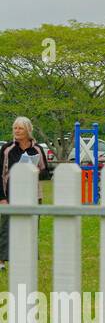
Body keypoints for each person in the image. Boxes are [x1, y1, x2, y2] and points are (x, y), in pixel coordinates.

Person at [1, 116, 52, 271]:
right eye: (15, 128)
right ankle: (1, 261)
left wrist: (35, 171)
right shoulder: (7, 149)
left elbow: (46, 173)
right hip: (9, 194)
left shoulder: (37, 149)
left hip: (32, 195)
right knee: (5, 228)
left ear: (28, 130)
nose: (16, 131)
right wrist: (2, 198)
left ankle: (27, 259)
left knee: (31, 227)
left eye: (20, 128)